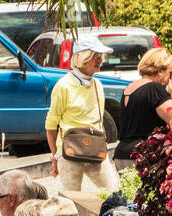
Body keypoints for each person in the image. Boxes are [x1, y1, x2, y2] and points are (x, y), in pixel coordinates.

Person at [46, 37, 119, 196]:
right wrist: (55, 155)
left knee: (115, 192)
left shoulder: (97, 85)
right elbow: (51, 124)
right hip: (69, 153)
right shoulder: (63, 86)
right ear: (83, 57)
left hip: (96, 149)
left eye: (101, 56)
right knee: (72, 199)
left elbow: (98, 121)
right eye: (96, 56)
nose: (100, 60)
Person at [114, 47, 172, 162]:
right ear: (160, 71)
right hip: (142, 156)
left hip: (122, 154)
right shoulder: (154, 88)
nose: (170, 78)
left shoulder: (130, 88)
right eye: (169, 73)